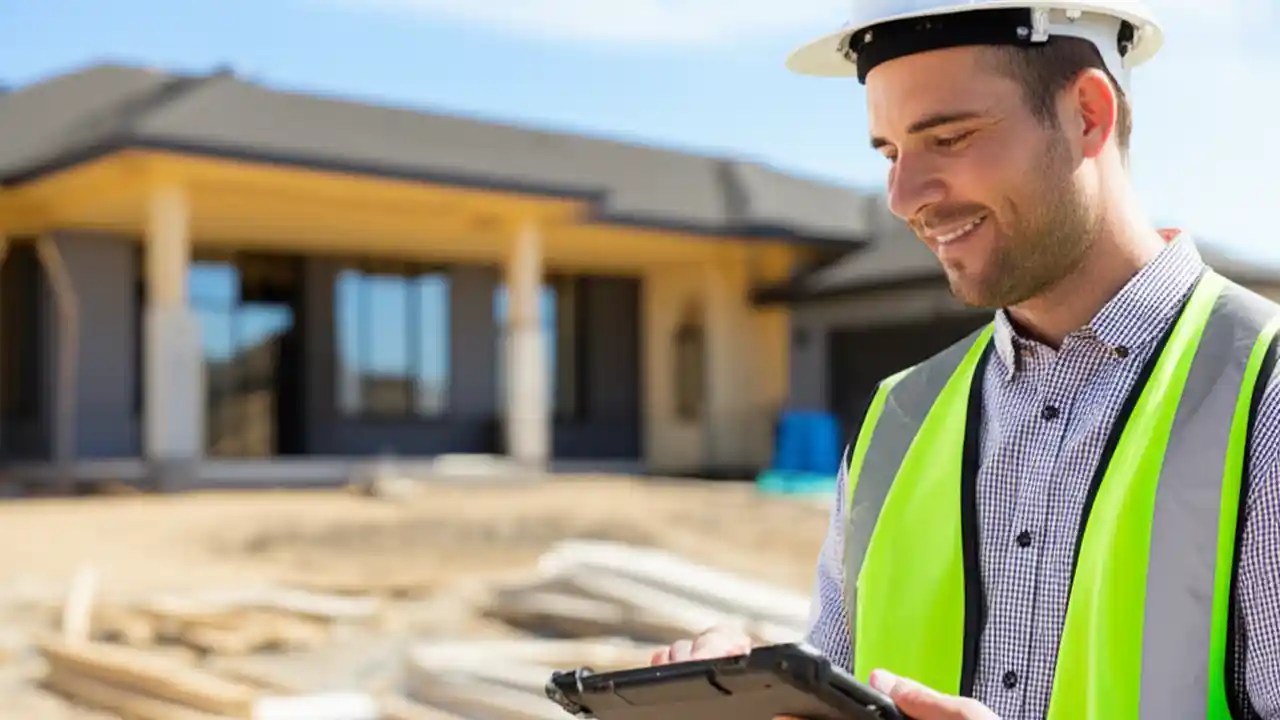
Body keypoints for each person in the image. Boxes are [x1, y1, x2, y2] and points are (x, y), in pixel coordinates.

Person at [649, 2, 1280, 719]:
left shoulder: (1266, 395)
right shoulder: (898, 419)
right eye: (889, 153)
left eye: (947, 138)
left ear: (1088, 114)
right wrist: (757, 696)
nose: (902, 197)